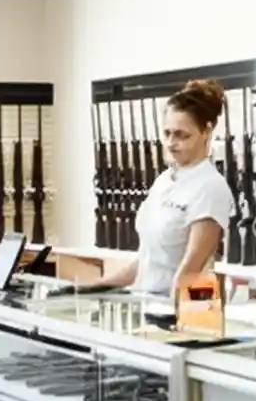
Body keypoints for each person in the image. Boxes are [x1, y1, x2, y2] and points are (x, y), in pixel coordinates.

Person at [91, 79, 233, 295]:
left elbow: (189, 272)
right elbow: (147, 261)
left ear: (206, 131)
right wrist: (92, 288)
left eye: (181, 135)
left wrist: (166, 316)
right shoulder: (164, 180)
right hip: (149, 307)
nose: (171, 143)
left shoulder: (211, 187)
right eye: (167, 133)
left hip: (185, 313)